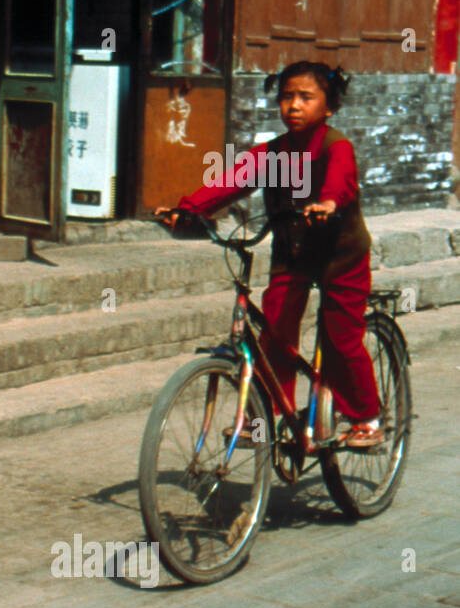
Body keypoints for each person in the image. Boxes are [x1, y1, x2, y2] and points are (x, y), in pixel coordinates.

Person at [156, 61, 382, 448]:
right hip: (292, 253)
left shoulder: (335, 146)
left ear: (328, 107)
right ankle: (270, 416)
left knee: (341, 337)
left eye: (305, 98)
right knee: (274, 330)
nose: (293, 106)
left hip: (340, 256)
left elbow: (339, 182)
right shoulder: (271, 154)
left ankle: (365, 418)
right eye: (286, 97)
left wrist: (327, 203)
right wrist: (189, 209)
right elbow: (230, 183)